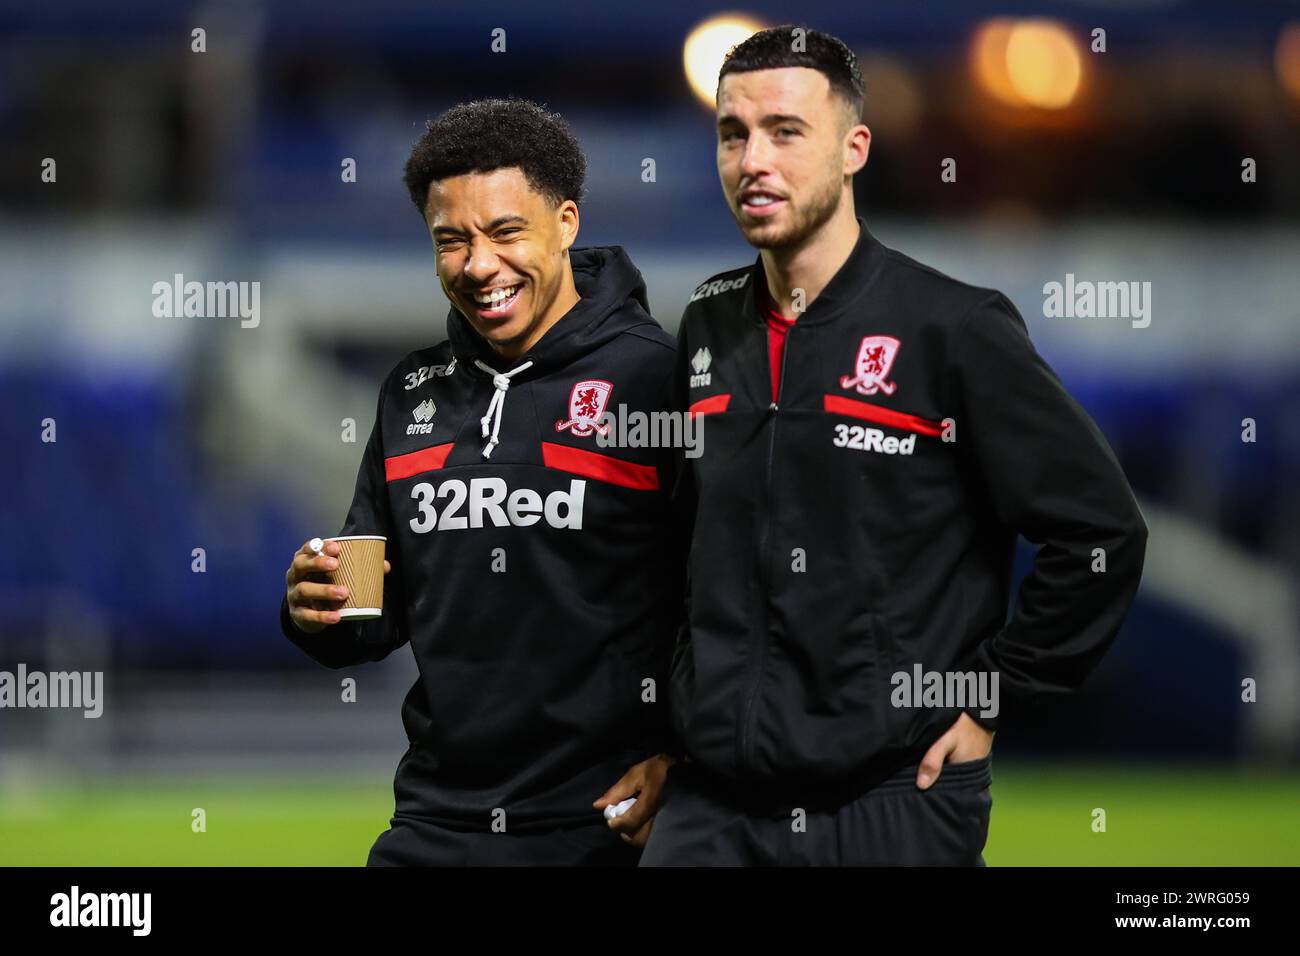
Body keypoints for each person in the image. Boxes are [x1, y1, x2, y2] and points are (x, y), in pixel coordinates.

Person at [641, 26, 1148, 865]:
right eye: (732, 134)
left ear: (854, 149)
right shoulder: (705, 323)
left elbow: (1100, 532)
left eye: (785, 131)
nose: (752, 159)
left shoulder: (954, 328)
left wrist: (989, 697)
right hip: (714, 810)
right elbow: (680, 549)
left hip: (889, 801)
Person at [281, 98, 677, 865]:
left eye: (504, 232)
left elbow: (727, 600)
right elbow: (364, 609)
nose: (479, 265)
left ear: (566, 223)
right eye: (451, 241)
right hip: (436, 825)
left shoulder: (656, 380)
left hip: (607, 828)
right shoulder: (411, 392)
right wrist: (315, 605)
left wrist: (688, 759)